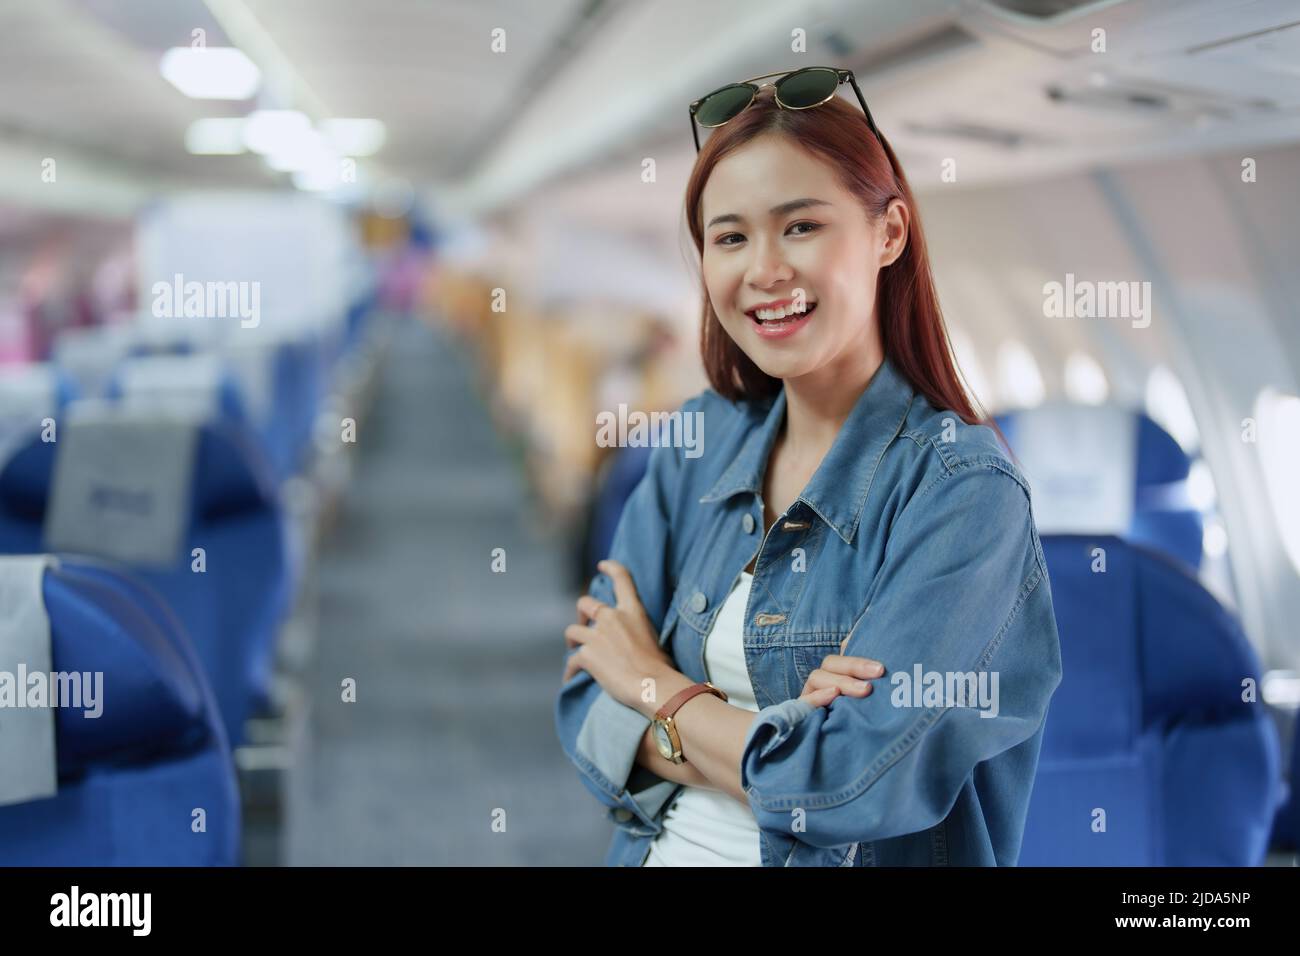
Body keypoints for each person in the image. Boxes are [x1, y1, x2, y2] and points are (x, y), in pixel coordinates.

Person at [555, 67, 1062, 867]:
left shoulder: (964, 493)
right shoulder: (697, 442)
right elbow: (586, 698)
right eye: (730, 237)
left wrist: (652, 683)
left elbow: (850, 783)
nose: (764, 271)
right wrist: (779, 736)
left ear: (888, 233)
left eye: (799, 227)